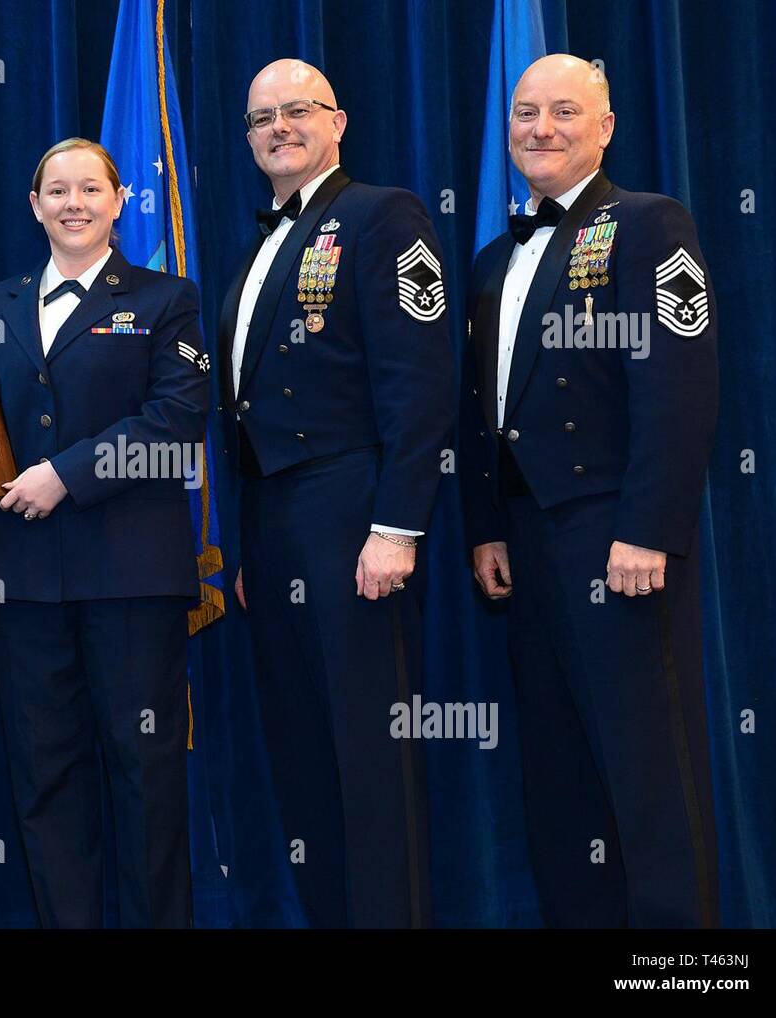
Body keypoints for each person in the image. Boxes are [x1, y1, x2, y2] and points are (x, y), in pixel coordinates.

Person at [458, 54, 719, 927]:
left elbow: (676, 385)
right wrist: (486, 525)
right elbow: (485, 405)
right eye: (526, 113)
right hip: (529, 543)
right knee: (560, 775)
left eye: (563, 112)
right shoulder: (496, 257)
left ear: (604, 127)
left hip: (617, 533)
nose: (540, 128)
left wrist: (649, 525)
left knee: (648, 774)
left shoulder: (649, 224)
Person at [220, 59, 454, 927]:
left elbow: (418, 383)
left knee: (370, 748)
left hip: (355, 516)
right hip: (276, 526)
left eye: (297, 111)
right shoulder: (263, 241)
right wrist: (250, 549)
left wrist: (397, 527)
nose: (278, 127)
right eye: (260, 118)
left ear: (339, 119)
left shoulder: (381, 214)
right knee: (304, 748)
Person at [0, 138, 209, 928]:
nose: (74, 202)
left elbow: (178, 417)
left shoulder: (167, 297)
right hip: (21, 580)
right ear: (33, 206)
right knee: (45, 780)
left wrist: (66, 474)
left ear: (119, 201)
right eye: (57, 190)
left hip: (131, 578)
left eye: (90, 189)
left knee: (146, 775)